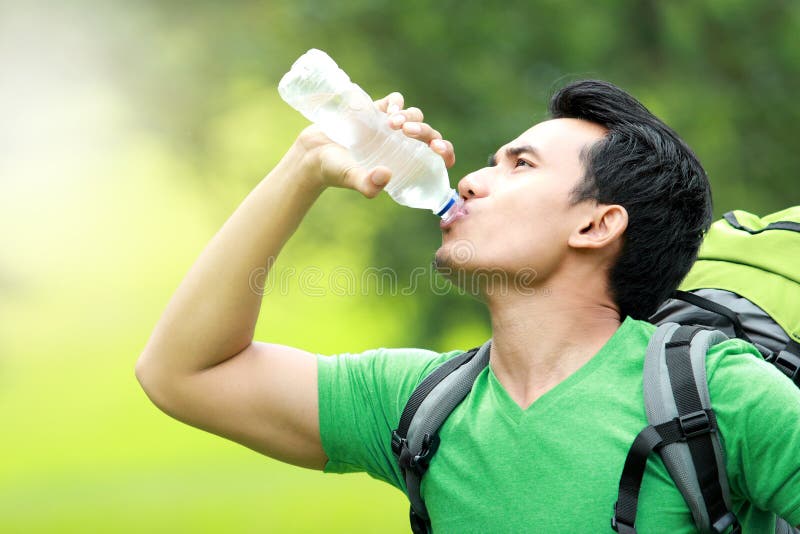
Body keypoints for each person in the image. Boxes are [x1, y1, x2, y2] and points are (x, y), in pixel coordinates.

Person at [136, 80, 800, 532]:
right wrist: (305, 166)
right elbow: (183, 373)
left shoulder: (714, 395)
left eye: (521, 166)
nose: (473, 179)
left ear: (597, 226)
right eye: (490, 161)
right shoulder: (420, 406)